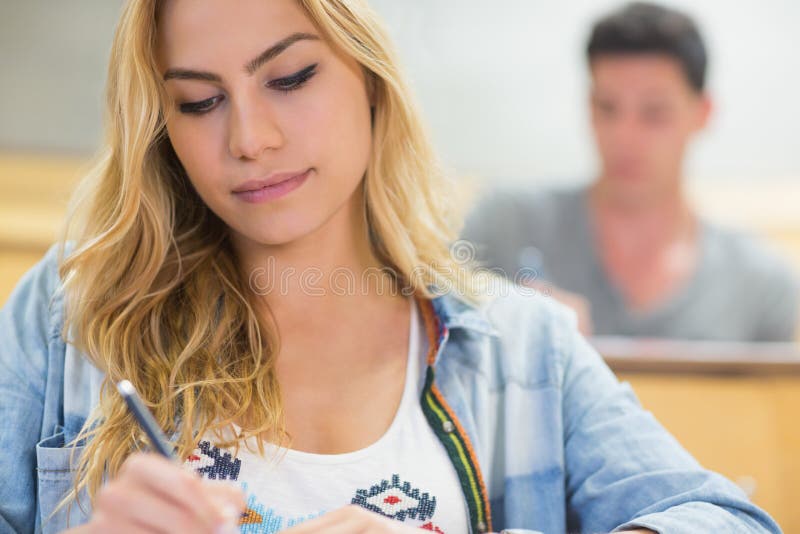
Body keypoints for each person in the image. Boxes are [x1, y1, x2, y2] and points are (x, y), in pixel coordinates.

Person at [0, 1, 781, 533]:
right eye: (200, 102)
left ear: (371, 81)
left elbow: (731, 521)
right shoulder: (72, 316)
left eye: (291, 78)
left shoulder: (519, 349)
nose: (249, 139)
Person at [461, 2, 800, 341]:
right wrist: (500, 306)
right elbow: (420, 299)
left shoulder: (760, 289)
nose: (624, 137)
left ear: (703, 113)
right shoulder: (507, 226)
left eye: (654, 113)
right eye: (607, 107)